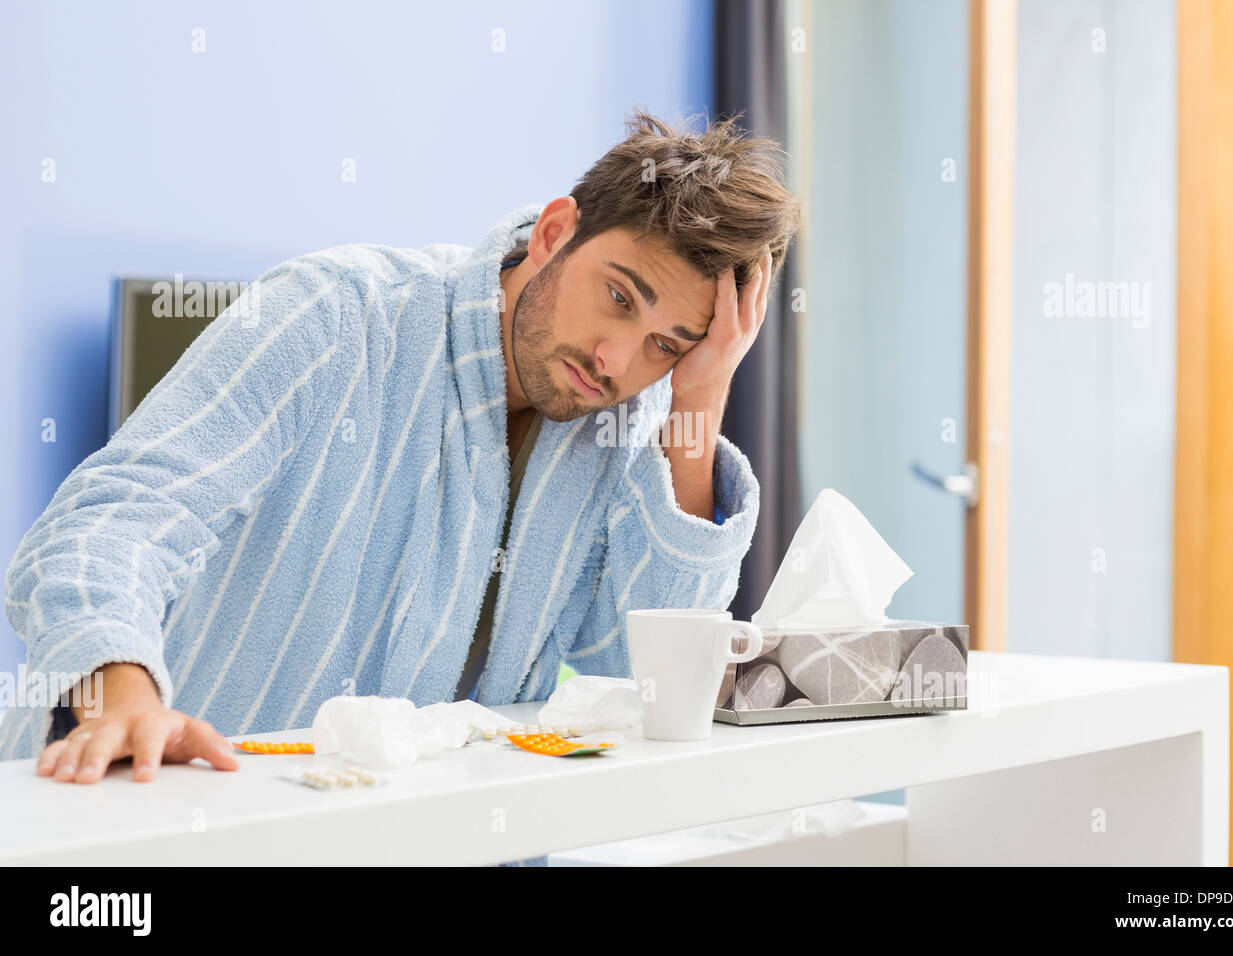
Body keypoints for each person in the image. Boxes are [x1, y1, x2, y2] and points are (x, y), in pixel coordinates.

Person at [0, 111, 801, 811]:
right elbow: (112, 522)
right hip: (153, 807)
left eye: (668, 343)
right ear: (556, 232)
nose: (617, 359)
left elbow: (641, 679)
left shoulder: (636, 416)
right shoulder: (335, 314)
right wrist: (120, 697)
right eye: (620, 297)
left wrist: (700, 396)